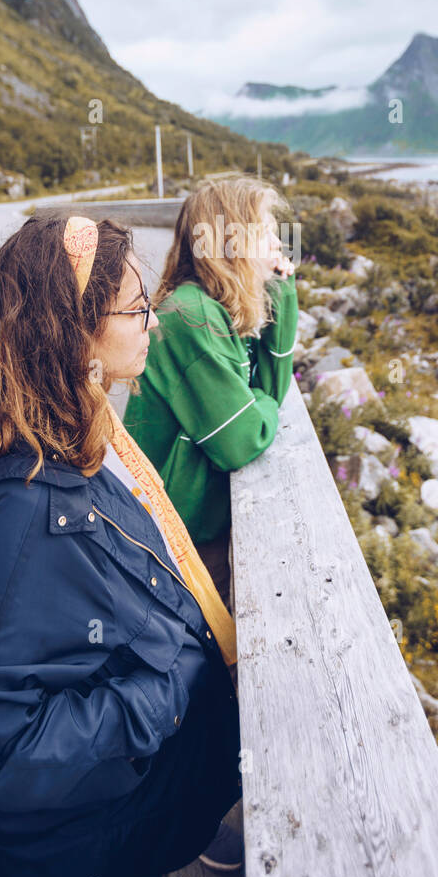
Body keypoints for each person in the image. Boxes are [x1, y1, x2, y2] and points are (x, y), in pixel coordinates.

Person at [0, 213, 241, 877]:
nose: (154, 324)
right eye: (138, 308)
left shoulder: (88, 430)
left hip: (117, 828)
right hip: (75, 857)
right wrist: (169, 687)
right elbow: (0, 746)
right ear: (73, 329)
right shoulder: (28, 508)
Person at [124, 173, 298, 621]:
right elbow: (242, 439)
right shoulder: (190, 316)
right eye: (264, 231)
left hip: (195, 526)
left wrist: (283, 290)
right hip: (176, 539)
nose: (277, 243)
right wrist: (259, 401)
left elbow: (271, 393)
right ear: (231, 242)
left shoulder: (214, 309)